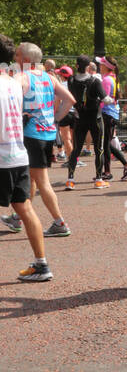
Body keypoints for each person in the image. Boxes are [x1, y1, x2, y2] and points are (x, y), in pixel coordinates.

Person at [0, 34, 53, 280]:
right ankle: (41, 264)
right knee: (25, 207)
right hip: (18, 154)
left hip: (2, 156)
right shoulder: (13, 82)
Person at [13, 42, 74, 236]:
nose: (14, 59)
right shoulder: (50, 78)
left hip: (32, 134)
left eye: (17, 55)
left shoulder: (22, 77)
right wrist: (54, 119)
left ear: (26, 60)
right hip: (46, 133)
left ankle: (59, 222)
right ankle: (19, 217)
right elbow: (70, 100)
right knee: (31, 177)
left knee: (41, 181)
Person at [65, 56, 105, 189]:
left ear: (76, 66)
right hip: (95, 118)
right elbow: (105, 97)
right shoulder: (95, 81)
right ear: (88, 66)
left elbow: (71, 97)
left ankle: (70, 179)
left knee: (76, 149)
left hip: (79, 118)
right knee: (98, 149)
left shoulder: (71, 80)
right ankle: (98, 179)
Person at [97, 56, 127, 182]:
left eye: (101, 64)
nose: (99, 66)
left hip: (107, 114)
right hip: (111, 113)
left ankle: (121, 167)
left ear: (106, 66)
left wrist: (96, 106)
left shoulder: (107, 80)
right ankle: (116, 169)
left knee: (106, 144)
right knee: (106, 144)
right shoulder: (112, 78)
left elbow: (105, 99)